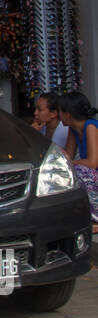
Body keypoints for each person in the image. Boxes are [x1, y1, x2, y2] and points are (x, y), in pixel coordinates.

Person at [59, 92, 98, 222]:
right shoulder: (73, 129)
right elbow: (68, 157)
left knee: (80, 172)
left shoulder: (90, 126)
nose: (59, 116)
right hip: (93, 173)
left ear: (68, 114)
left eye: (60, 112)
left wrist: (73, 163)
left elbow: (92, 163)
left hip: (94, 172)